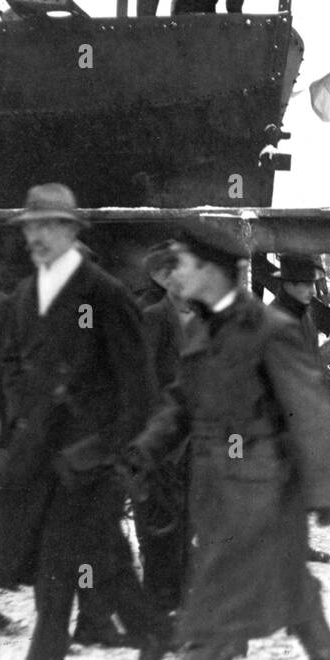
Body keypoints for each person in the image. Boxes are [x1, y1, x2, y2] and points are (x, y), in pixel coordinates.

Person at [123, 222, 330, 660]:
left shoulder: (270, 328)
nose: (177, 272)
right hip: (216, 476)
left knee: (222, 576)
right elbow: (182, 401)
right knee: (285, 577)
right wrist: (147, 448)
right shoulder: (203, 327)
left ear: (210, 270)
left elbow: (307, 409)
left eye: (183, 262)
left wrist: (322, 487)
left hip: (261, 477)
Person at [0, 183, 169, 660]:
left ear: (73, 231)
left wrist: (104, 448)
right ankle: (154, 631)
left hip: (91, 457)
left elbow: (139, 390)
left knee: (56, 556)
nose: (36, 236)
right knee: (103, 554)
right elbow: (6, 363)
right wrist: (23, 414)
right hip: (40, 452)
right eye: (30, 227)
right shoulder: (26, 295)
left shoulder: (105, 294)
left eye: (48, 226)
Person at [271, 252, 330, 563]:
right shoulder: (275, 317)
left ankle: (297, 544)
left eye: (313, 285)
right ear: (287, 285)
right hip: (282, 411)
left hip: (303, 407)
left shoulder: (302, 313)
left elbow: (309, 358)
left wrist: (329, 381)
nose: (312, 292)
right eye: (304, 285)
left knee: (300, 478)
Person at [132, 241, 191, 613]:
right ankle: (157, 609)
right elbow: (145, 382)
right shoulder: (153, 317)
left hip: (196, 442)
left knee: (188, 528)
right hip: (166, 443)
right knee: (159, 528)